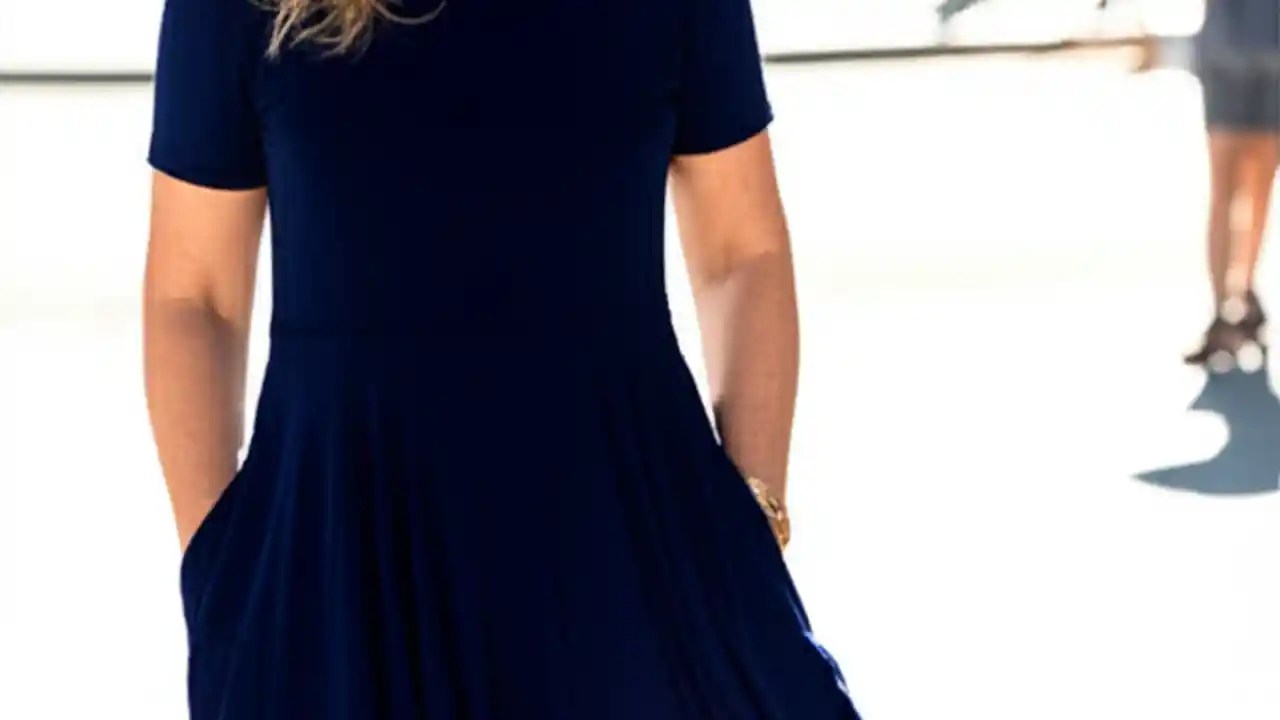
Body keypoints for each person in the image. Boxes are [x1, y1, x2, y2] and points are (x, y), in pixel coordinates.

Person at [142, 0, 862, 717]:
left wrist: (756, 516)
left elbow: (744, 252)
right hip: (344, 558)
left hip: (632, 541)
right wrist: (220, 573)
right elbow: (194, 294)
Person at [1185, 0, 1280, 366]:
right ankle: (1223, 305)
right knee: (1226, 184)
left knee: (1260, 183)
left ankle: (1243, 291)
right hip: (1228, 51)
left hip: (1272, 46)